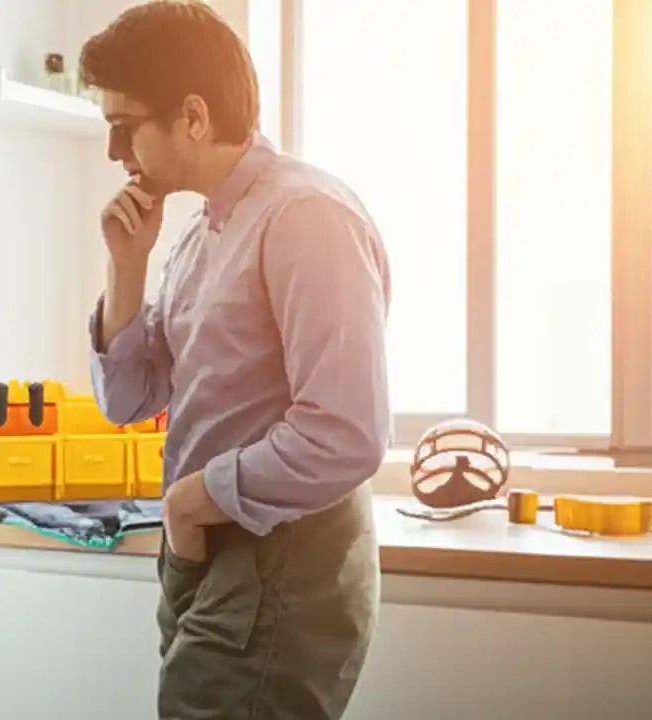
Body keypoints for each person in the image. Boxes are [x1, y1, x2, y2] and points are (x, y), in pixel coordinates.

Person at [79, 2, 392, 718]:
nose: (112, 154)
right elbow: (128, 401)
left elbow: (347, 433)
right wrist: (125, 268)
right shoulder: (201, 234)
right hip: (208, 554)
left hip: (278, 556)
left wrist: (193, 500)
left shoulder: (306, 217)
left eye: (122, 128)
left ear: (192, 116)